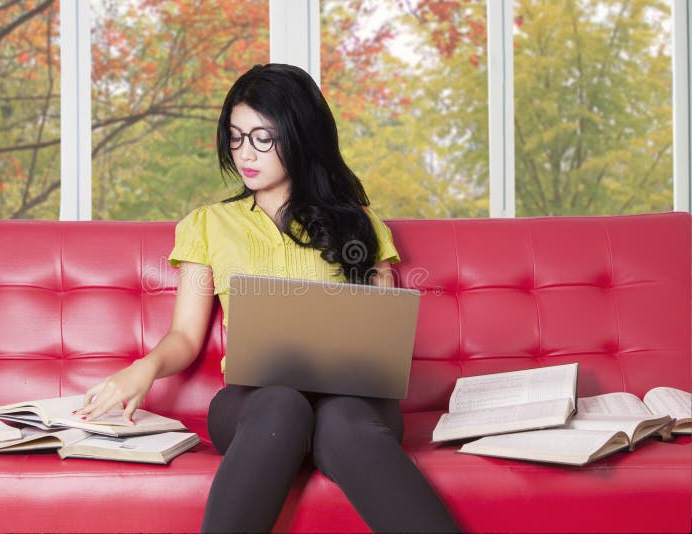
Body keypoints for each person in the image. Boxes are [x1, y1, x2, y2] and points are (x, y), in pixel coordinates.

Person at [79, 63, 459, 533]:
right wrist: (146, 367)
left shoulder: (359, 223)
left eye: (263, 137)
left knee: (340, 419)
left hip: (354, 401)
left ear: (300, 137)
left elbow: (382, 328)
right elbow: (184, 334)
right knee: (282, 404)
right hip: (255, 403)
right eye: (236, 137)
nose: (245, 153)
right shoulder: (208, 226)